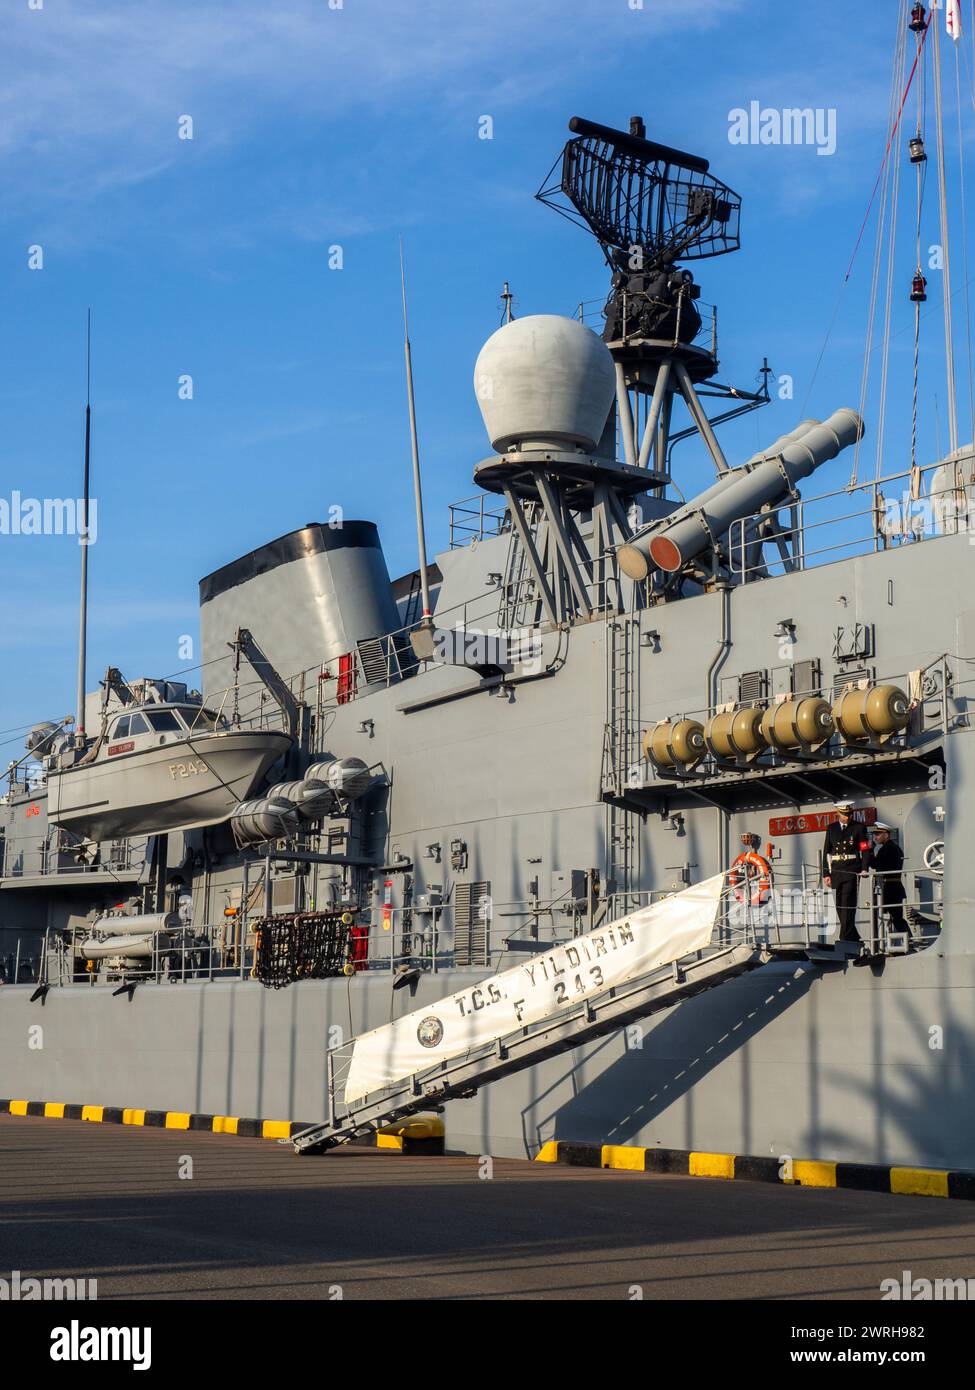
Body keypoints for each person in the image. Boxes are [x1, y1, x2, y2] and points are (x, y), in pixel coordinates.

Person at [821, 801, 871, 947]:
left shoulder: (859, 828)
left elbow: (864, 849)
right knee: (839, 905)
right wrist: (826, 873)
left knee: (848, 901)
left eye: (849, 815)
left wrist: (864, 868)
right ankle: (853, 936)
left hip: (851, 868)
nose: (847, 818)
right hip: (836, 869)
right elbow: (826, 851)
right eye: (844, 815)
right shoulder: (831, 828)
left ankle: (844, 938)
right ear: (838, 813)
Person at [870, 822, 907, 935]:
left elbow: (875, 864)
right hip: (892, 887)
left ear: (886, 835)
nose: (875, 837)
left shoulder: (888, 849)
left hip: (889, 888)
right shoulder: (892, 848)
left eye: (878, 834)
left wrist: (870, 851)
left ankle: (909, 942)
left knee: (896, 918)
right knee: (896, 918)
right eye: (874, 834)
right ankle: (906, 942)